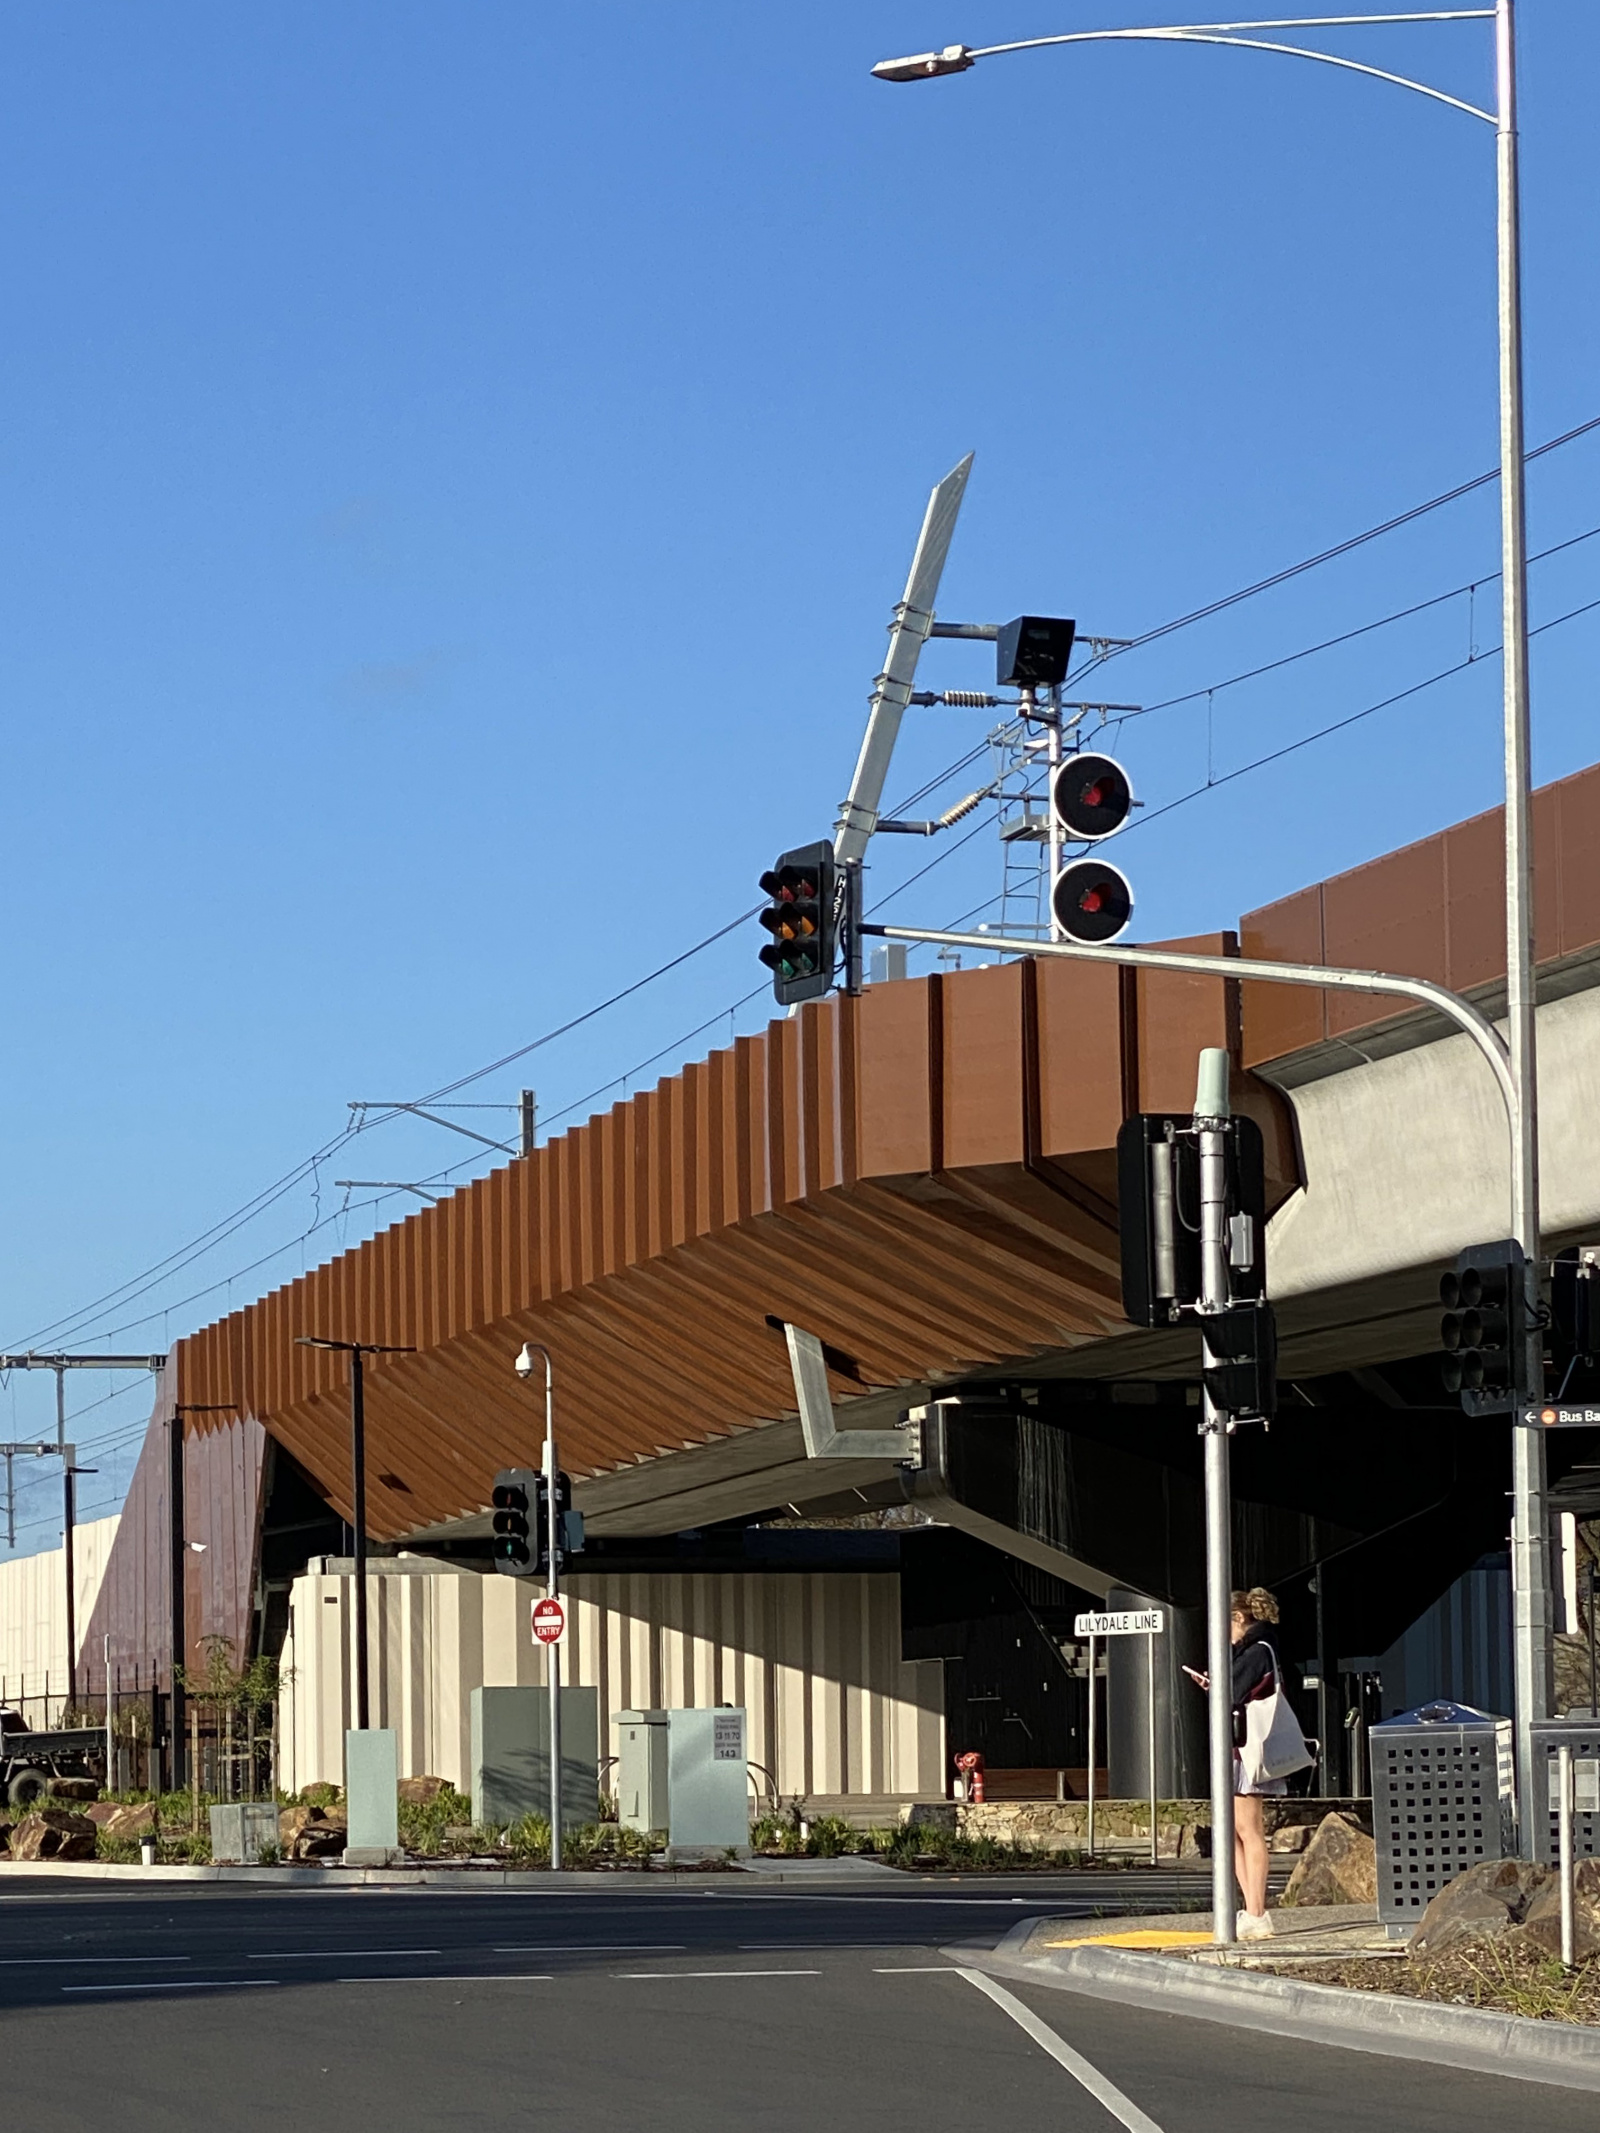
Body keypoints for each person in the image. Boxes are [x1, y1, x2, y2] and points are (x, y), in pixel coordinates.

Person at [1185, 1585, 1285, 1941]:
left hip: (1246, 1749)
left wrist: (1215, 1686)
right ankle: (1251, 1909)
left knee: (1247, 1830)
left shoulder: (1257, 1650)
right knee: (1234, 1832)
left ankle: (1258, 1912)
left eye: (1222, 1624)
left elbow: (1233, 1692)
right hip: (1238, 1747)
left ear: (1238, 1618)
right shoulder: (1254, 1649)